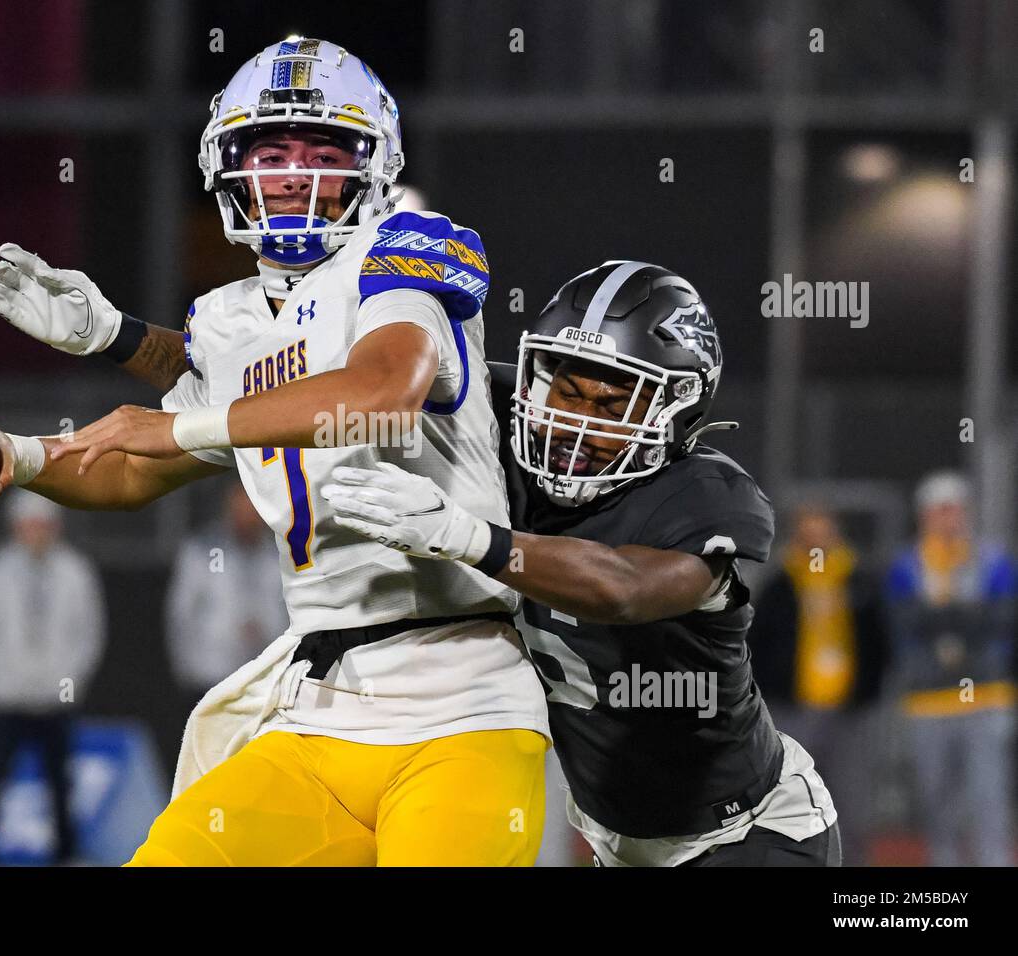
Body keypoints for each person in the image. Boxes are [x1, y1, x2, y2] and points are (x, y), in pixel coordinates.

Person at [0, 37, 549, 866]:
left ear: (372, 168)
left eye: (324, 151)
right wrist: (4, 455)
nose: (296, 174)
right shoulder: (228, 322)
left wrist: (182, 424)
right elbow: (134, 469)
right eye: (273, 152)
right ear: (231, 169)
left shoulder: (405, 247)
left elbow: (384, 391)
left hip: (464, 698)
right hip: (321, 710)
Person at [324, 261, 842, 865]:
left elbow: (623, 589)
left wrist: (469, 537)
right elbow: (384, 377)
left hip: (745, 834)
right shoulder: (502, 431)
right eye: (566, 391)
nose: (575, 423)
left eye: (612, 402)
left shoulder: (702, 496)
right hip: (614, 844)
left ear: (675, 410)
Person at [0, 491, 107, 863]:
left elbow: (89, 634)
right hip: (5, 696)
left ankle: (66, 852)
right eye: (29, 526)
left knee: (60, 781)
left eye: (42, 526)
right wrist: (4, 673)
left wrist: (67, 678)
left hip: (55, 698)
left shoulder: (76, 572)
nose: (36, 533)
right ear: (16, 528)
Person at [886, 470, 1015, 866]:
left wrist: (941, 618)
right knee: (936, 800)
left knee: (987, 796)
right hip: (929, 700)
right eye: (940, 511)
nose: (949, 519)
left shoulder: (994, 561)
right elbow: (905, 626)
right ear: (925, 516)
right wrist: (965, 618)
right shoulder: (908, 565)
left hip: (985, 696)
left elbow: (1003, 621)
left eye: (955, 510)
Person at [750, 505, 887, 863]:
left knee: (852, 805)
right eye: (808, 536)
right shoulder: (780, 587)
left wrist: (865, 693)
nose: (816, 544)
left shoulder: (859, 582)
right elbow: (757, 645)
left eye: (822, 535)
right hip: (792, 713)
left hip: (848, 714)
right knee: (789, 805)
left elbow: (879, 642)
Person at [165, 481, 287, 703]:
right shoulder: (202, 552)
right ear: (228, 509)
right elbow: (181, 613)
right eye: (240, 509)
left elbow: (287, 615)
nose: (247, 519)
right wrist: (186, 668)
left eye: (253, 511)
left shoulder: (278, 557)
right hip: (209, 675)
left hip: (262, 680)